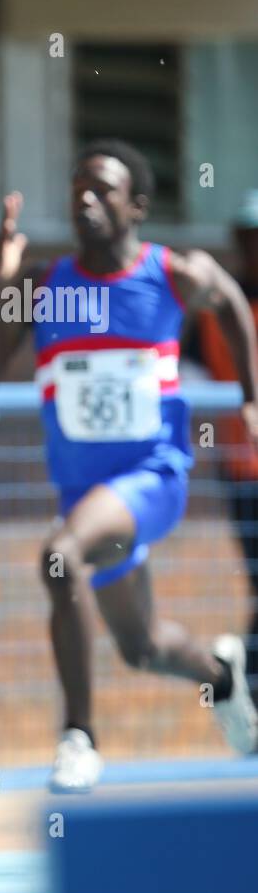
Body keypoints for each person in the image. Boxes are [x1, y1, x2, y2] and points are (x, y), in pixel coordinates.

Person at [0, 141, 258, 793]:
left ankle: (79, 737)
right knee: (142, 645)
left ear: (138, 206)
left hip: (154, 478)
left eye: (101, 189)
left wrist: (251, 397)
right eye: (76, 189)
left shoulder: (172, 274)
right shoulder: (44, 287)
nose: (85, 199)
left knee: (59, 557)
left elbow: (234, 303)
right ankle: (223, 676)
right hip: (88, 496)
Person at [189, 190, 258, 699]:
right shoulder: (217, 310)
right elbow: (189, 369)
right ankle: (243, 689)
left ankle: (242, 684)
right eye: (246, 240)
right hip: (242, 471)